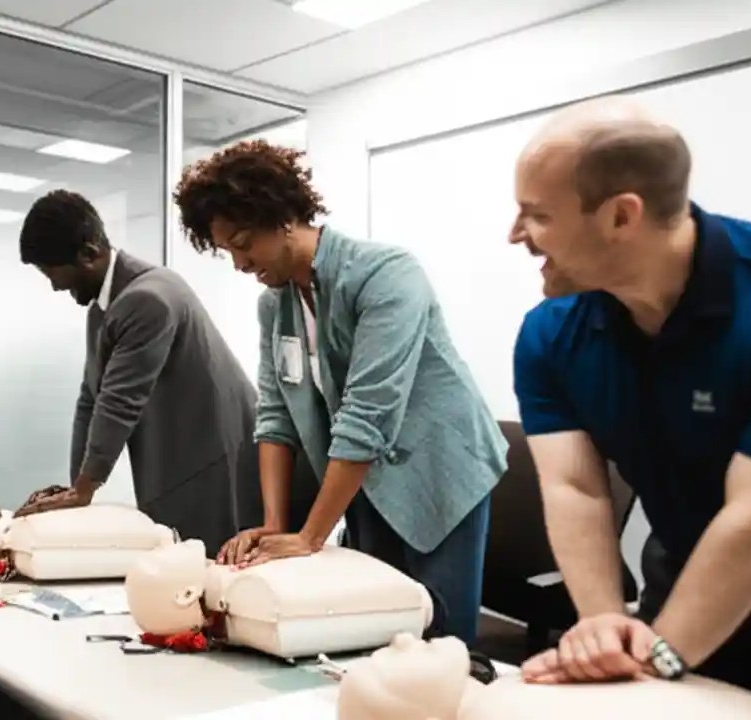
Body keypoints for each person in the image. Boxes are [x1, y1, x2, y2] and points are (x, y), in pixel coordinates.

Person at [510, 97, 751, 718]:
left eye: (537, 215)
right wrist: (604, 627)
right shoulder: (551, 334)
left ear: (620, 216)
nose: (516, 234)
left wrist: (655, 663)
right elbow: (575, 488)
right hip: (688, 587)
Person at [173, 140, 506, 643]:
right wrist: (274, 525)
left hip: (440, 470)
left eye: (243, 242)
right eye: (228, 252)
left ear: (282, 217)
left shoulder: (387, 275)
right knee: (371, 624)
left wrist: (309, 537)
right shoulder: (276, 306)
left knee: (439, 637)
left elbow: (366, 415)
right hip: (364, 477)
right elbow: (275, 418)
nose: (240, 263)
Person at [12, 189, 261, 558]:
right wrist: (74, 488)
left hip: (210, 459)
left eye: (53, 273)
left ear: (89, 253)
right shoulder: (105, 306)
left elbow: (119, 402)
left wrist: (85, 488)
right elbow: (91, 398)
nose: (55, 286)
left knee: (204, 573)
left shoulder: (147, 299)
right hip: (178, 459)